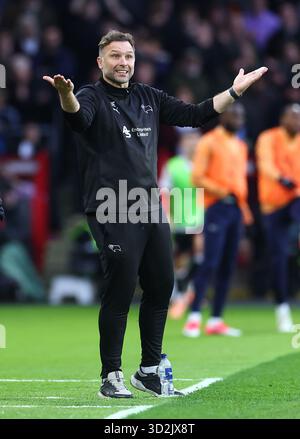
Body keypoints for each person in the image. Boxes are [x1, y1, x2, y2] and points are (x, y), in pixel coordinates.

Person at [43, 30, 267, 398]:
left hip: (148, 204)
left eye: (128, 56)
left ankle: (148, 371)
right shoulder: (89, 95)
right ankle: (110, 375)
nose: (123, 62)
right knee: (119, 288)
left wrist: (235, 90)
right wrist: (66, 95)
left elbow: (195, 116)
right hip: (110, 203)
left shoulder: (149, 96)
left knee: (162, 284)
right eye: (115, 56)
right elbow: (79, 119)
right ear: (101, 62)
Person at [183, 103, 253, 337]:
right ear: (223, 117)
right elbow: (197, 176)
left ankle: (215, 320)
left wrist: (243, 208)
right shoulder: (209, 141)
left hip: (235, 209)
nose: (238, 119)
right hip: (216, 207)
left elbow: (240, 182)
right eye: (234, 114)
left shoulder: (241, 145)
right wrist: (222, 191)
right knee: (210, 262)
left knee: (227, 265)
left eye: (241, 116)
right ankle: (193, 317)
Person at [256, 104, 300, 332]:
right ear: (283, 119)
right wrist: (282, 178)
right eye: (293, 117)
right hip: (274, 205)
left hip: (296, 200)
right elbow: (265, 164)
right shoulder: (269, 138)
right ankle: (282, 308)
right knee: (279, 257)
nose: (297, 121)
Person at [159, 127, 203, 319]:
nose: (193, 144)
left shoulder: (205, 163)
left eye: (196, 139)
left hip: (204, 216)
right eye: (189, 140)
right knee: (181, 259)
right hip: (182, 218)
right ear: (182, 144)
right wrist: (166, 214)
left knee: (201, 254)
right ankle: (181, 294)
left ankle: (188, 292)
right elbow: (164, 191)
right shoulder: (174, 165)